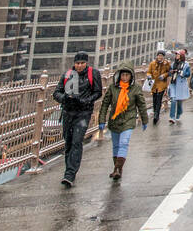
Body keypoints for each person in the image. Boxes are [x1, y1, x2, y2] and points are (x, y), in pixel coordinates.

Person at [52, 51, 103, 189]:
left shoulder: (93, 74)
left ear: (86, 63)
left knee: (76, 141)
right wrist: (65, 98)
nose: (79, 66)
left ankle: (70, 174)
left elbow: (98, 92)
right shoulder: (68, 75)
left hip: (83, 112)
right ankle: (68, 170)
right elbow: (56, 93)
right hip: (68, 112)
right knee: (68, 142)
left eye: (82, 63)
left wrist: (85, 100)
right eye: (77, 63)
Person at [96, 61, 148, 181]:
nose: (124, 77)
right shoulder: (113, 88)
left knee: (124, 142)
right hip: (114, 119)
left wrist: (144, 120)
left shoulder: (135, 88)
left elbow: (141, 105)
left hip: (128, 119)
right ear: (119, 75)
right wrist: (101, 120)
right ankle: (116, 167)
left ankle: (118, 169)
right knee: (116, 145)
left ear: (131, 76)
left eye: (127, 75)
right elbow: (105, 104)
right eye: (123, 75)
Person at [146, 51, 171, 121]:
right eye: (159, 55)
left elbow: (169, 72)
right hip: (154, 84)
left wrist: (164, 75)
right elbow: (149, 72)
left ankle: (156, 115)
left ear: (163, 57)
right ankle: (155, 112)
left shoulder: (166, 63)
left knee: (159, 99)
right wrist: (149, 75)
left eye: (161, 56)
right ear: (157, 56)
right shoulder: (152, 63)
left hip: (162, 84)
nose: (160, 57)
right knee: (154, 99)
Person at [168, 49, 191, 124]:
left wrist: (181, 73)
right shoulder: (173, 64)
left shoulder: (186, 64)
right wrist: (171, 72)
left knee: (179, 101)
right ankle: (172, 117)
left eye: (178, 54)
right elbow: (169, 73)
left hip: (181, 84)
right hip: (173, 83)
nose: (177, 56)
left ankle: (179, 113)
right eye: (176, 55)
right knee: (174, 99)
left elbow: (188, 74)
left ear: (181, 56)